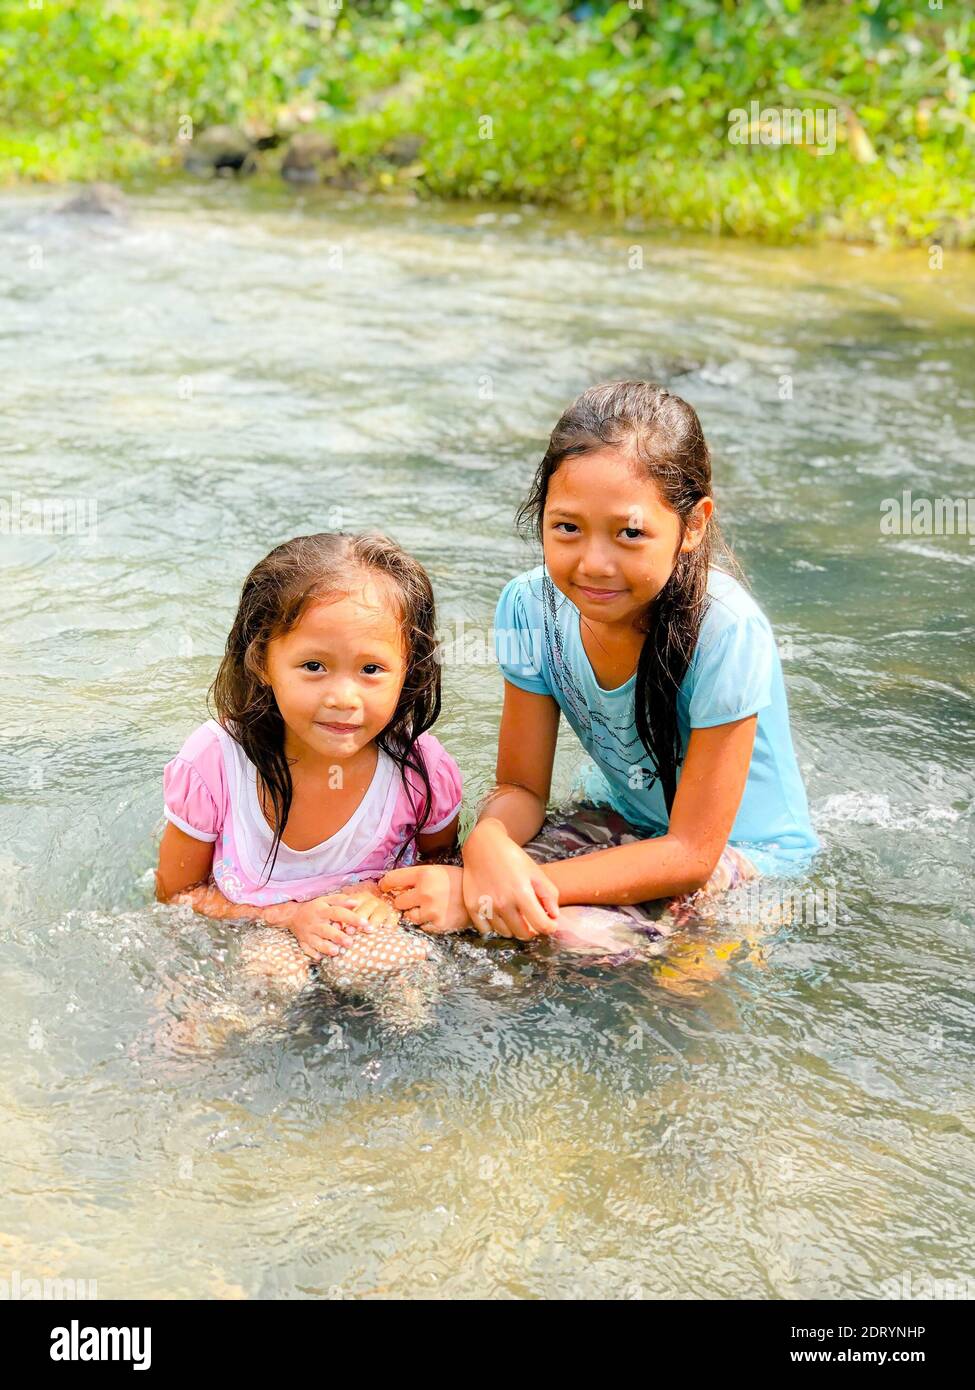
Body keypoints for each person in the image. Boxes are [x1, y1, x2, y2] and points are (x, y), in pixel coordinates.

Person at [440, 380, 819, 944]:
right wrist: (487, 844)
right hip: (620, 815)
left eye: (630, 533)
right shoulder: (528, 606)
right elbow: (520, 786)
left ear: (693, 526)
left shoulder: (725, 630)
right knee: (450, 908)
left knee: (563, 934)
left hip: (742, 854)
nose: (594, 563)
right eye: (567, 527)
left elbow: (692, 853)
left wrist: (512, 886)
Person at [154, 531, 465, 984]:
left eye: (371, 670)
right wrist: (287, 918)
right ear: (262, 661)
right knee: (266, 979)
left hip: (363, 928)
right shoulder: (214, 763)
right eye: (314, 666)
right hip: (255, 929)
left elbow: (443, 869)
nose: (343, 697)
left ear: (409, 669)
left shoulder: (422, 772)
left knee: (403, 973)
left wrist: (386, 899)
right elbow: (175, 895)